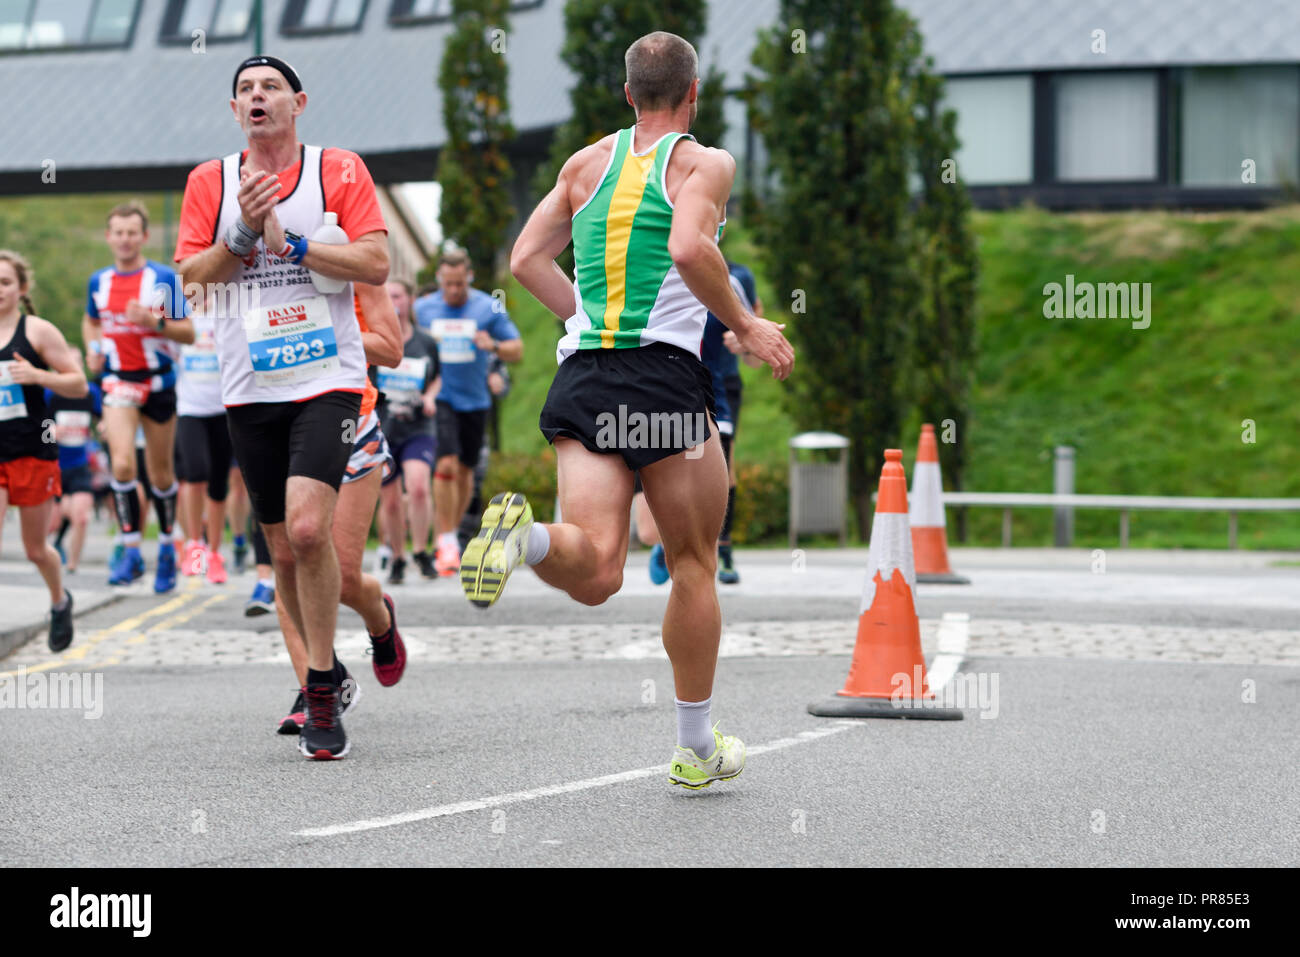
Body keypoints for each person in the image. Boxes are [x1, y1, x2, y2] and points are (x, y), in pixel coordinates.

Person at [469, 32, 793, 789]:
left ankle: (524, 540)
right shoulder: (702, 162)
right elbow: (687, 247)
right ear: (694, 93)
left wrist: (587, 318)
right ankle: (694, 746)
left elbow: (523, 260)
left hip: (584, 375)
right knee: (691, 563)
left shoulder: (584, 165)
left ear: (626, 95)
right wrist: (745, 327)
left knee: (596, 565)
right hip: (662, 380)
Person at [175, 54, 391, 760]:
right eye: (245, 89)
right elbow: (193, 281)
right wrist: (239, 233)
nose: (257, 96)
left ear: (298, 102)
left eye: (270, 87)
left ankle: (321, 685)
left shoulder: (341, 169)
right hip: (250, 385)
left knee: (306, 531)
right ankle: (320, 671)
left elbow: (376, 264)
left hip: (327, 377)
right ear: (235, 110)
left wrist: (294, 243)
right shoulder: (210, 181)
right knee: (279, 549)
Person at [274, 282, 407, 734]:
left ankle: (379, 616)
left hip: (350, 424)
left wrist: (309, 336)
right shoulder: (257, 267)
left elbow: (389, 348)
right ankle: (320, 686)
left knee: (344, 579)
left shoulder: (351, 261)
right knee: (289, 565)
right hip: (275, 425)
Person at [83, 202, 195, 592]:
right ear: (109, 236)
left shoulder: (163, 279)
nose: (125, 239)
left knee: (161, 474)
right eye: (118, 232)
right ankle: (130, 549)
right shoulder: (99, 282)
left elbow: (189, 332)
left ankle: (166, 547)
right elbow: (91, 320)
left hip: (159, 383)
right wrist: (91, 348)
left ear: (144, 237)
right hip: (118, 382)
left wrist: (156, 322)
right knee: (124, 465)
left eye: (133, 232)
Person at [413, 249, 522, 577]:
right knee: (445, 463)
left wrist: (493, 346)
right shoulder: (423, 309)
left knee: (465, 472)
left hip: (475, 401)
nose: (454, 291)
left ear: (469, 277)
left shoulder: (488, 306)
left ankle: (453, 534)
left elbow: (516, 350)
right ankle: (445, 539)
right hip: (439, 396)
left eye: (460, 284)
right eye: (448, 284)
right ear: (439, 280)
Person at [0, 250, 89, 651]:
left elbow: (80, 385)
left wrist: (36, 375)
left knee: (36, 549)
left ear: (21, 288)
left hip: (33, 450)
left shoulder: (37, 331)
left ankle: (59, 601)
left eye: (5, 282)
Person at [376, 278, 441, 584]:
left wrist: (429, 397)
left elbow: (437, 378)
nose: (393, 301)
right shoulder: (375, 340)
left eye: (398, 296)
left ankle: (422, 552)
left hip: (418, 426)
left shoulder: (426, 342)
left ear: (410, 300)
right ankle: (397, 557)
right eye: (387, 296)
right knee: (389, 500)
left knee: (417, 487)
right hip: (384, 428)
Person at [175, 301, 233, 583]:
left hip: (224, 409)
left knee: (219, 485)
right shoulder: (182, 318)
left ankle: (214, 553)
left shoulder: (228, 311)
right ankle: (194, 547)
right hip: (190, 408)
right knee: (196, 473)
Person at [45, 347, 103, 573]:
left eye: (78, 363)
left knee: (81, 517)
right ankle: (53, 547)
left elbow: (103, 417)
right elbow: (36, 429)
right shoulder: (49, 394)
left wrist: (104, 426)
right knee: (55, 521)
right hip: (54, 465)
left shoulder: (91, 393)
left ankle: (72, 565)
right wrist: (50, 431)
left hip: (80, 464)